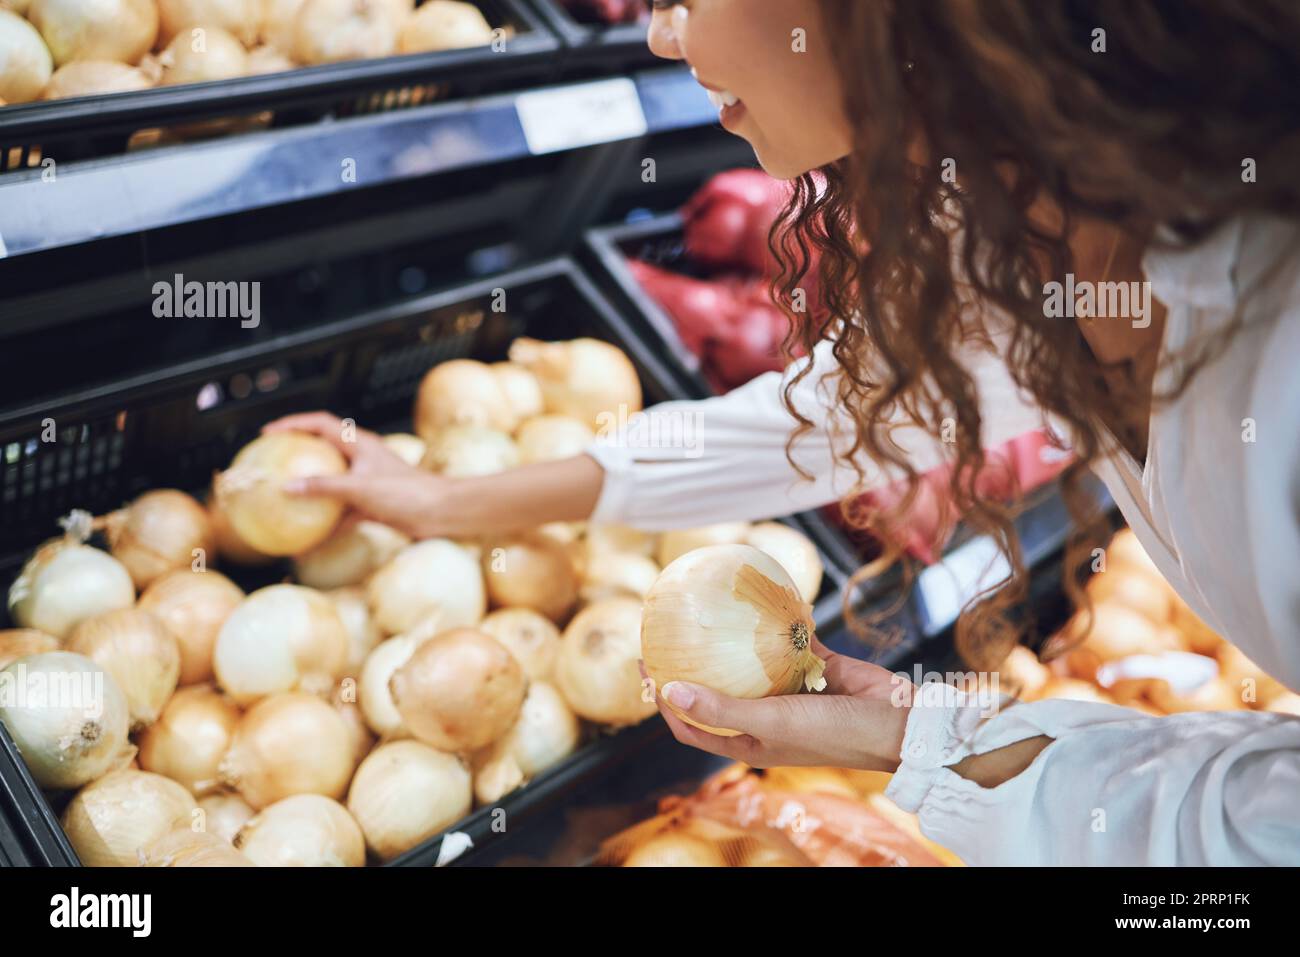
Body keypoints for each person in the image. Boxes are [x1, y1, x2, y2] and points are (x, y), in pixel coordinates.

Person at [266, 1, 1300, 865]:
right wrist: (439, 500)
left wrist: (932, 746)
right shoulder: (1033, 230)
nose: (665, 34)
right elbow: (808, 426)